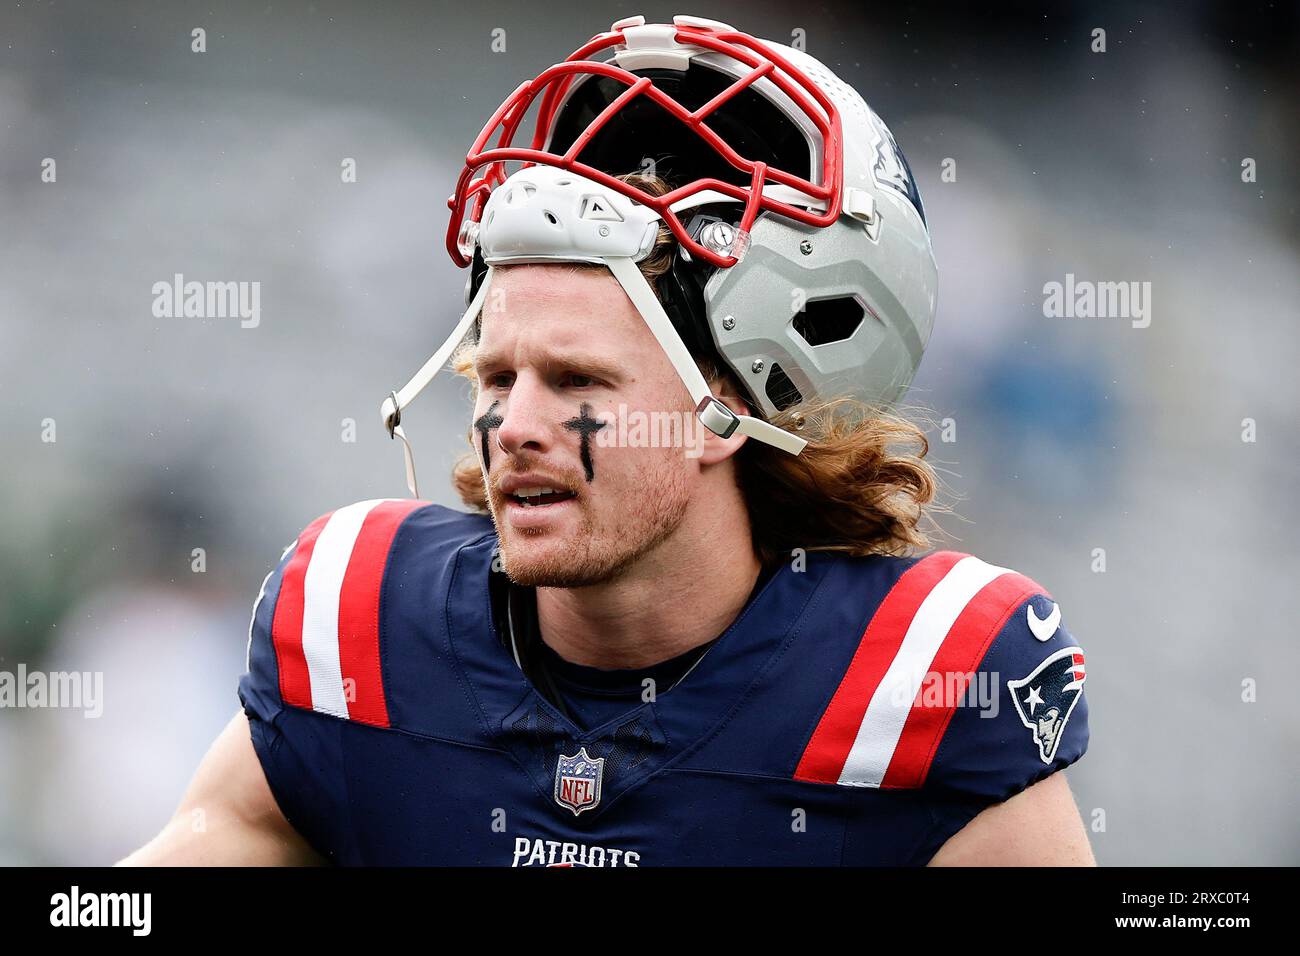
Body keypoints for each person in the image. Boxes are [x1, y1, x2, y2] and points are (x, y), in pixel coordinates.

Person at [121, 14, 1093, 866]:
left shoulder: (920, 683)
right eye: (496, 376)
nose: (514, 426)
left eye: (577, 382)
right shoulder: (366, 630)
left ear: (725, 406)